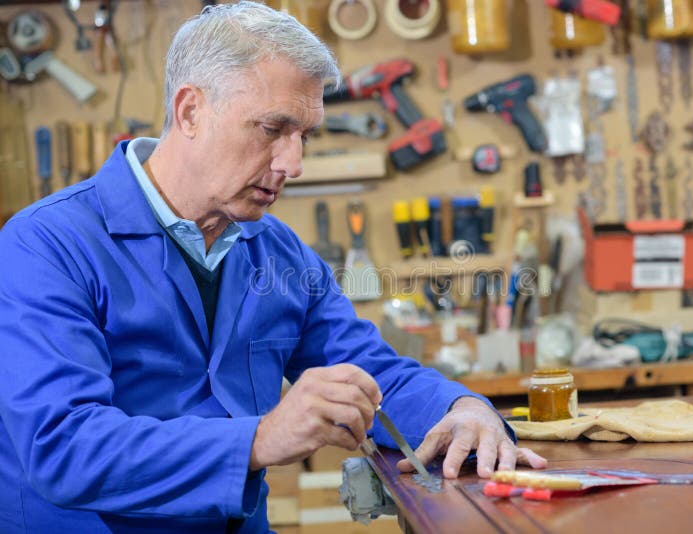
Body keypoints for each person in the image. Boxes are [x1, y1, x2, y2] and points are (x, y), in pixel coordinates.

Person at [0, 2, 545, 532]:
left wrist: (465, 407)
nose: (294, 164)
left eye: (304, 135)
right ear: (190, 111)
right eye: (271, 129)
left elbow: (373, 376)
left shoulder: (276, 250)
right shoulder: (46, 244)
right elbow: (61, 448)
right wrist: (260, 439)